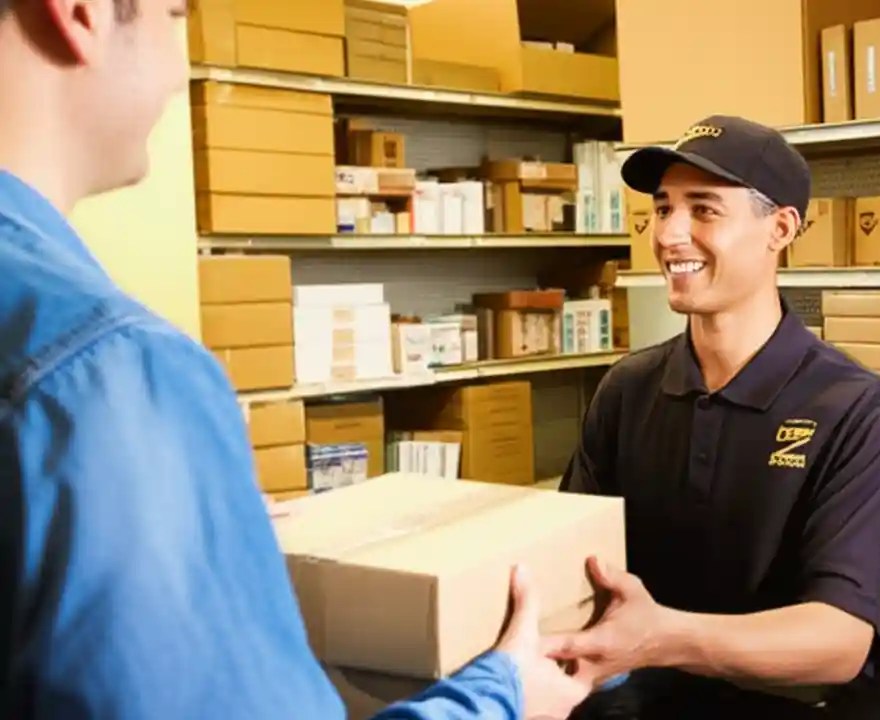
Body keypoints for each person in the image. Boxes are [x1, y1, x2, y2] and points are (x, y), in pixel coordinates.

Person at [0, 1, 587, 718]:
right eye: (175, 16)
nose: (178, 67)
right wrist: (502, 695)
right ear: (80, 12)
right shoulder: (109, 372)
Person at [553, 115, 880, 718]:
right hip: (640, 701)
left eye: (704, 210)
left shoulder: (860, 410)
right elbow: (572, 560)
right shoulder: (627, 389)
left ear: (780, 228)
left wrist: (660, 638)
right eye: (663, 207)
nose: (670, 233)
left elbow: (840, 639)